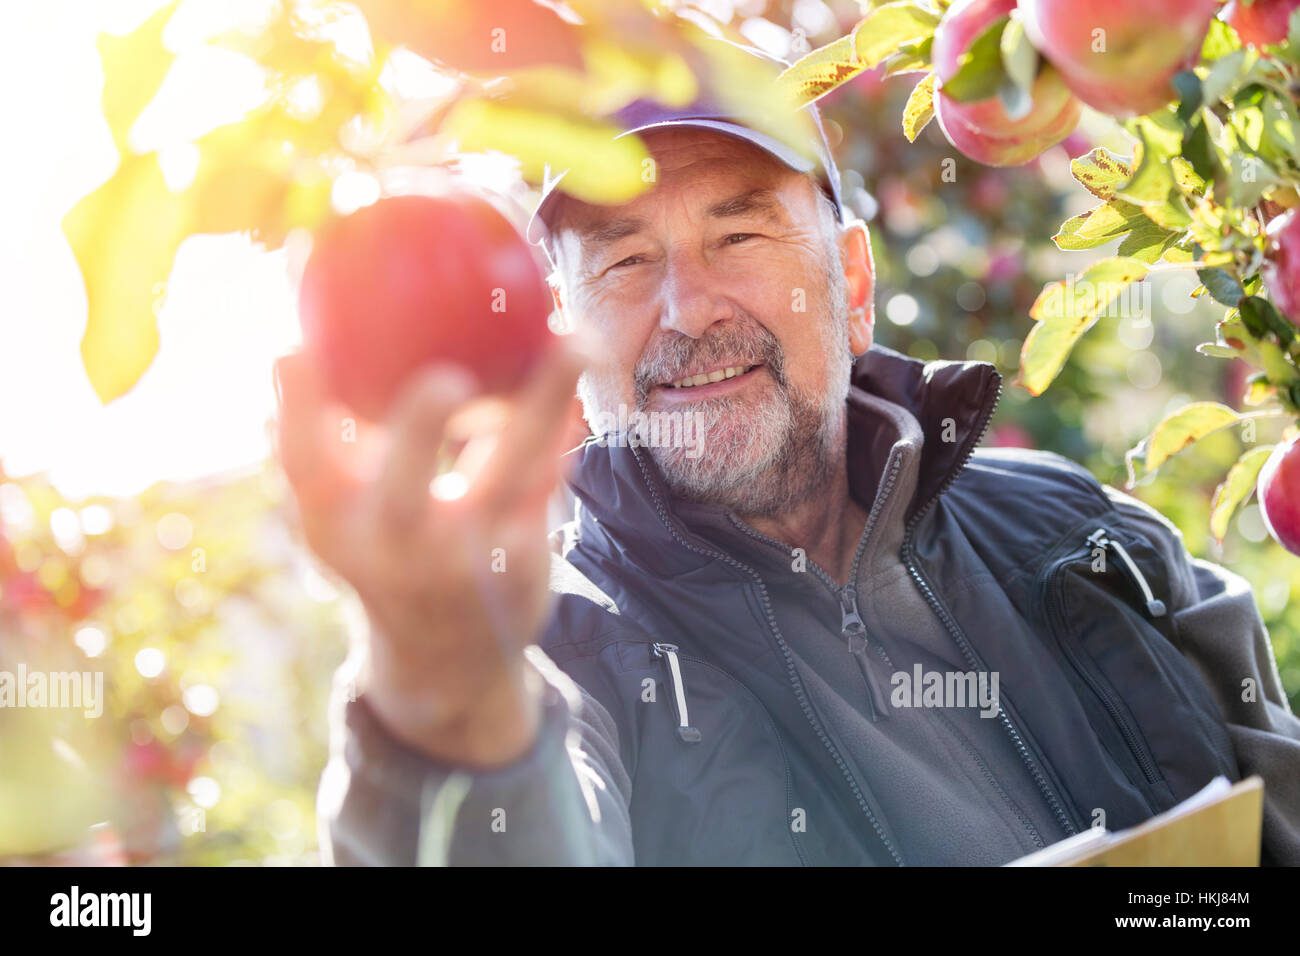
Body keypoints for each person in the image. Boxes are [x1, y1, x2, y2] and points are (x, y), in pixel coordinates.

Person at [275, 56, 1300, 866]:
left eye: (740, 234)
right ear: (563, 330)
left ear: (850, 284)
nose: (688, 308)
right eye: (625, 259)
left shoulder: (1084, 535)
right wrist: (444, 700)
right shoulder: (562, 657)